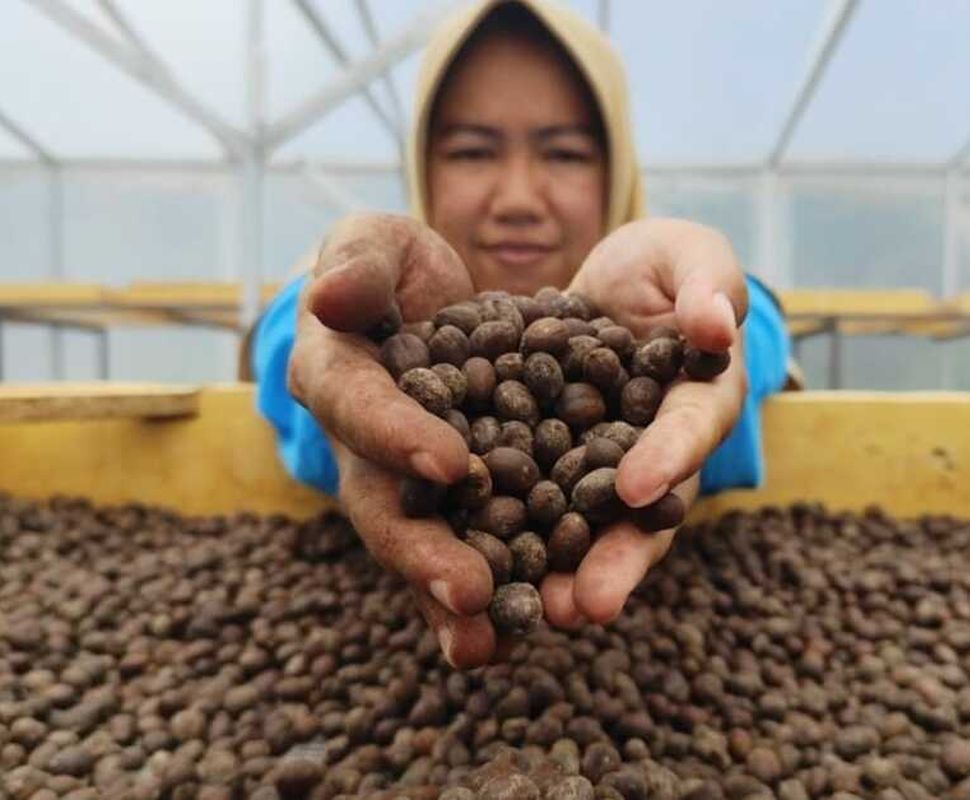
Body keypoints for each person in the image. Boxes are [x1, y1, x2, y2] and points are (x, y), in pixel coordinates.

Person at [249, 0, 789, 668]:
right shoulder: (393, 332)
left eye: (564, 153)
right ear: (422, 166)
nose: (518, 199)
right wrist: (313, 311)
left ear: (616, 169)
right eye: (473, 151)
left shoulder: (652, 315)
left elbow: (756, 331)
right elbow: (291, 345)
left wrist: (724, 331)